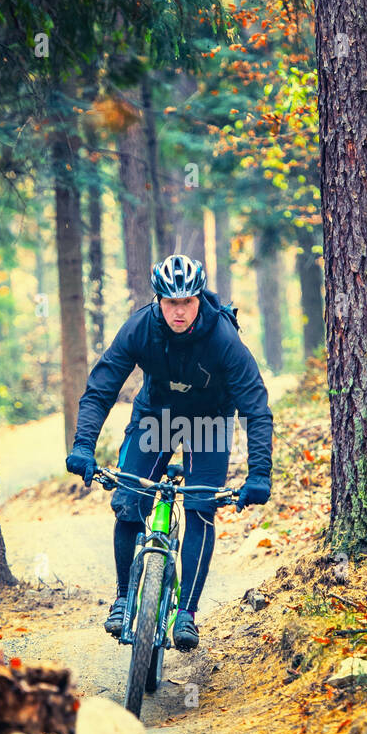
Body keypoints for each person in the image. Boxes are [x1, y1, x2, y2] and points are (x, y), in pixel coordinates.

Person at [65, 253, 273, 651]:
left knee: (199, 507)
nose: (180, 311)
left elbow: (255, 407)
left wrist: (259, 473)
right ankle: (125, 597)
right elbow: (101, 389)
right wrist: (83, 446)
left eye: (188, 302)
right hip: (155, 417)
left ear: (199, 299)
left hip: (209, 422)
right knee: (128, 500)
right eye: (171, 302)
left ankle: (187, 614)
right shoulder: (140, 328)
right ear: (158, 300)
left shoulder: (222, 337)